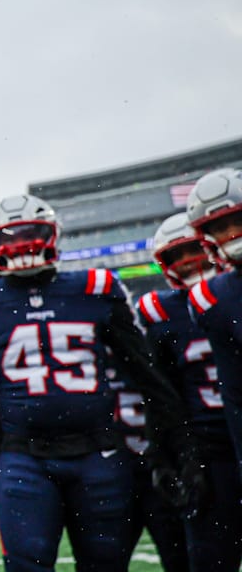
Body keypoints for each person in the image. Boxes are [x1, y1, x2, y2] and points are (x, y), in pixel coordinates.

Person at [0, 194, 198, 572]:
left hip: (99, 453)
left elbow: (149, 379)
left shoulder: (95, 289)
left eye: (31, 233)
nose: (21, 244)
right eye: (9, 237)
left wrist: (182, 448)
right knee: (27, 564)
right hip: (24, 456)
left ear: (53, 234)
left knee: (104, 565)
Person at [132, 211, 238, 572]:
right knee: (210, 558)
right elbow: (162, 395)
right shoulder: (161, 312)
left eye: (192, 249)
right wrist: (168, 456)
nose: (187, 262)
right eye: (176, 256)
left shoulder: (232, 294)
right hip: (209, 449)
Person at [185, 168, 242, 469]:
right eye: (221, 227)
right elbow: (235, 392)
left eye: (237, 220)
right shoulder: (212, 298)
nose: (232, 233)